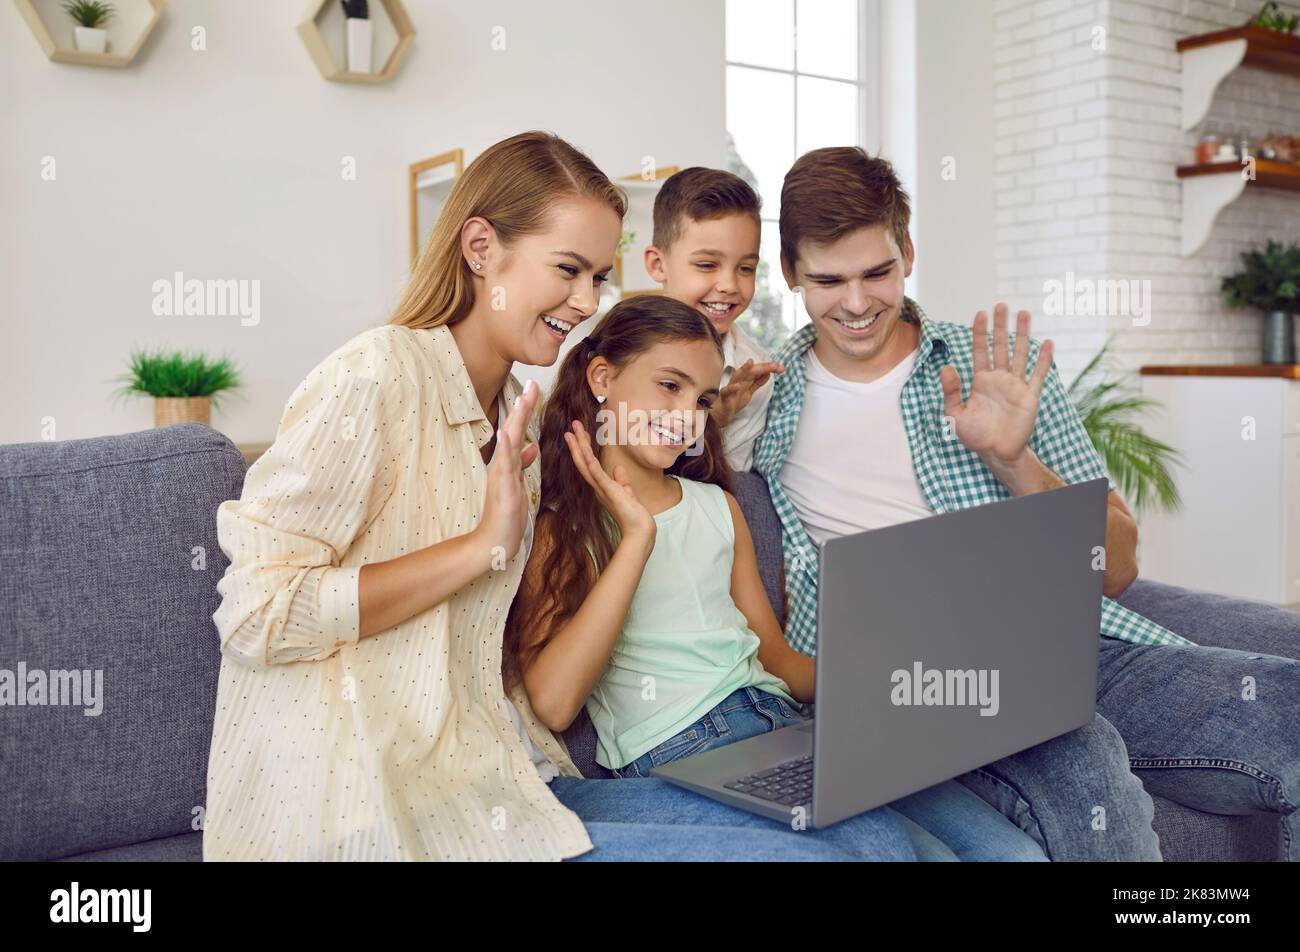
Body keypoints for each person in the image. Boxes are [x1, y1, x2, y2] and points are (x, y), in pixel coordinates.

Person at [202, 130, 911, 862]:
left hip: (506, 777)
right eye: (569, 270)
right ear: (482, 249)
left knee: (877, 838)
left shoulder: (520, 420)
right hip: (366, 800)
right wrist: (479, 549)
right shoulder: (377, 375)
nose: (586, 301)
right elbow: (256, 614)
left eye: (599, 276)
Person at [753, 144, 1300, 860]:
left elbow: (1118, 565)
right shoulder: (758, 401)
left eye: (876, 272)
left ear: (908, 251)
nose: (856, 304)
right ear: (791, 272)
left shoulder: (991, 368)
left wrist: (1014, 460)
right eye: (828, 280)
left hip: (1069, 644)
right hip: (920, 684)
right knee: (1088, 775)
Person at [505, 294, 1047, 861]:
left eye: (702, 398)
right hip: (686, 747)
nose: (687, 414)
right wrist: (637, 538)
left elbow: (777, 662)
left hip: (781, 724)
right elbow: (554, 702)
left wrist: (892, 678)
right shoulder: (562, 529)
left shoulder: (718, 506)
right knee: (882, 848)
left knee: (1012, 855)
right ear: (601, 378)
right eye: (670, 385)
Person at [642, 167, 783, 472]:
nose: (730, 285)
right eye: (707, 265)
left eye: (745, 268)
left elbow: (720, 489)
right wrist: (710, 421)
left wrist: (715, 425)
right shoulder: (620, 346)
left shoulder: (751, 376)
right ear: (658, 264)